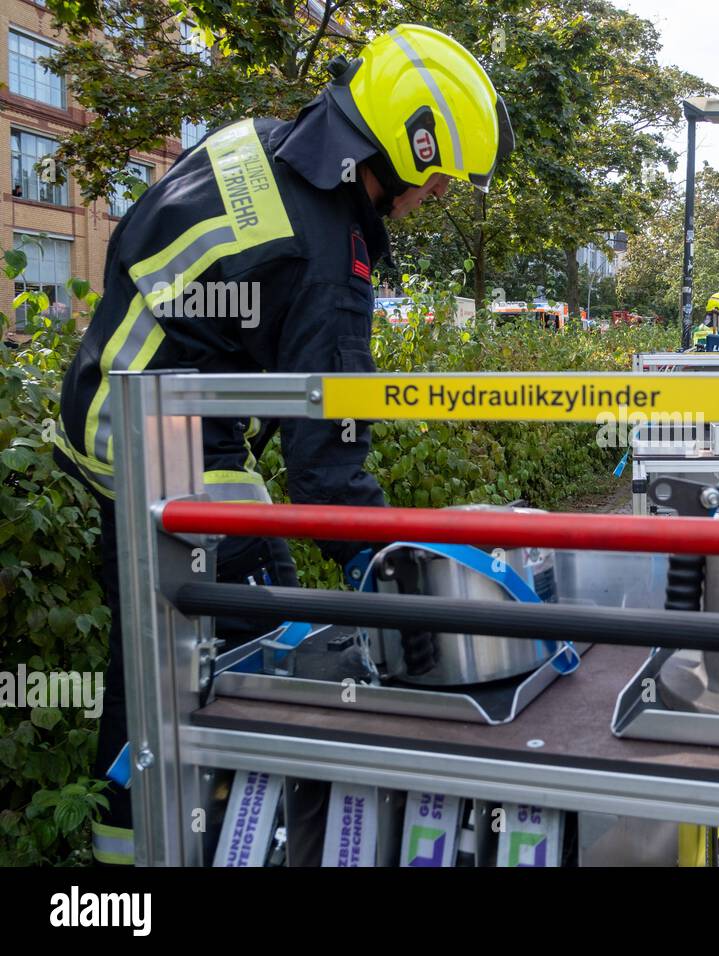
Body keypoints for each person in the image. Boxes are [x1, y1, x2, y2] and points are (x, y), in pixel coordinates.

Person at [52, 25, 513, 865]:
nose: (439, 192)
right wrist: (394, 579)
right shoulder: (329, 253)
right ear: (405, 149)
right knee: (265, 642)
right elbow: (328, 463)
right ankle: (212, 837)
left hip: (114, 397)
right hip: (165, 434)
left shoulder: (264, 143)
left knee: (152, 642)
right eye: (441, 173)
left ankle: (123, 847)